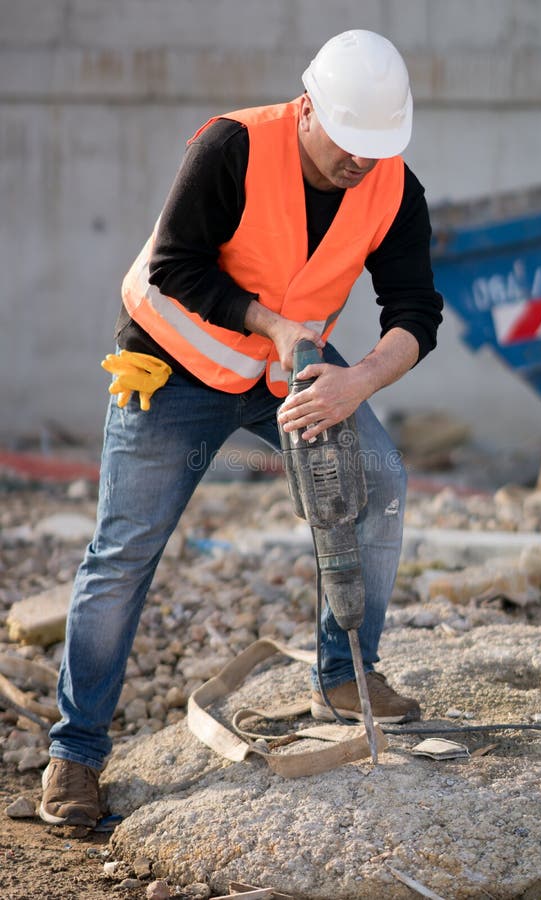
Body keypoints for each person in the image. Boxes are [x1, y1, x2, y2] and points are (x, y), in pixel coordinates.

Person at [40, 29, 443, 827]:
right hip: (172, 369)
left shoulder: (394, 186)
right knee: (123, 554)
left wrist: (354, 383)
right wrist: (272, 323)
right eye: (346, 142)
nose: (358, 161)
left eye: (375, 146)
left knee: (382, 481)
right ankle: (75, 753)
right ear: (307, 107)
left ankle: (342, 674)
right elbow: (174, 265)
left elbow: (416, 314)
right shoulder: (232, 147)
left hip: (286, 378)